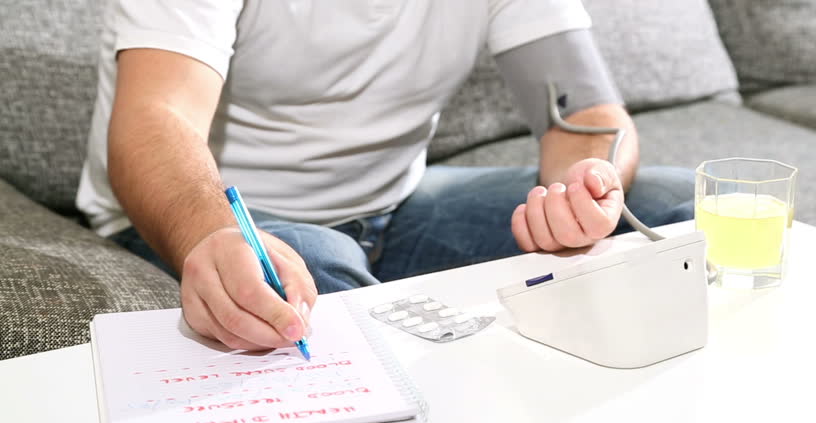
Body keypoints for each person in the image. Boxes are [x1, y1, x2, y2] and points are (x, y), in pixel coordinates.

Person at [77, 0, 695, 352]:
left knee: (672, 205)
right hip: (221, 220)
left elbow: (587, 114)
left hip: (397, 206)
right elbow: (153, 121)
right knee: (319, 261)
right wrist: (210, 232)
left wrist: (583, 189)